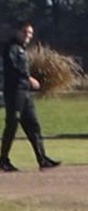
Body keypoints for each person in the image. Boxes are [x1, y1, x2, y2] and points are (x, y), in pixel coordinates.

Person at [1, 20, 59, 172]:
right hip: (15, 92)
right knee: (12, 124)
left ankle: (42, 159)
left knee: (33, 125)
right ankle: (3, 160)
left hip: (25, 92)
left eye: (30, 33)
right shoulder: (11, 48)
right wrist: (28, 78)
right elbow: (13, 68)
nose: (28, 36)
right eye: (25, 32)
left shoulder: (21, 49)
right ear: (18, 32)